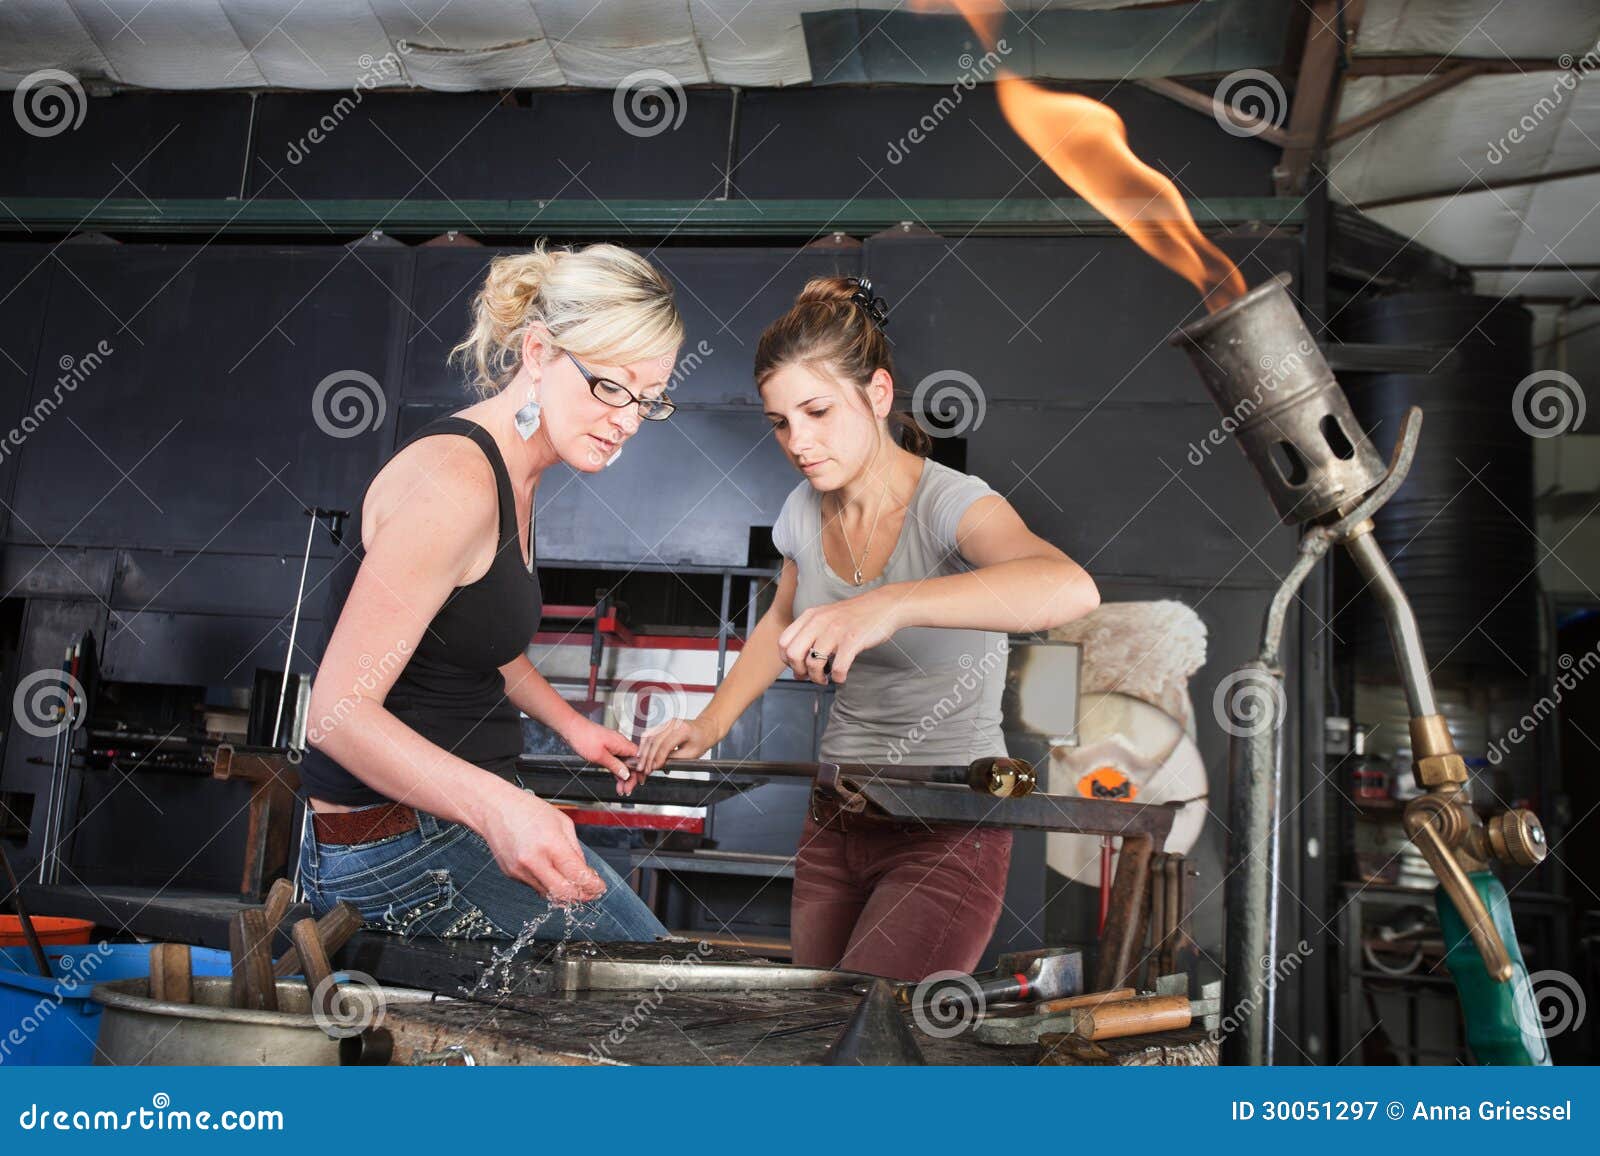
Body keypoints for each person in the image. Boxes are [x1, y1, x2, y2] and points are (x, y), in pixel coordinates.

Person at [635, 276, 1101, 981]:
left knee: (869, 1030)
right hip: (837, 814)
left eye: (818, 411)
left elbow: (1070, 587)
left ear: (878, 394)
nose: (799, 442)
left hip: (946, 822)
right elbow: (781, 619)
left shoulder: (950, 504)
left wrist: (889, 604)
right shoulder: (802, 509)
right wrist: (708, 723)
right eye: (780, 422)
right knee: (818, 1025)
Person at [297, 241, 680, 943]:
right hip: (390, 849)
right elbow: (337, 715)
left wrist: (572, 727)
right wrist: (499, 807)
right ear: (538, 352)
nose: (628, 420)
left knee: (653, 971)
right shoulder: (454, 482)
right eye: (611, 387)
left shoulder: (519, 474)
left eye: (648, 401)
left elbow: (471, 639)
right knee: (657, 980)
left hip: (443, 824)